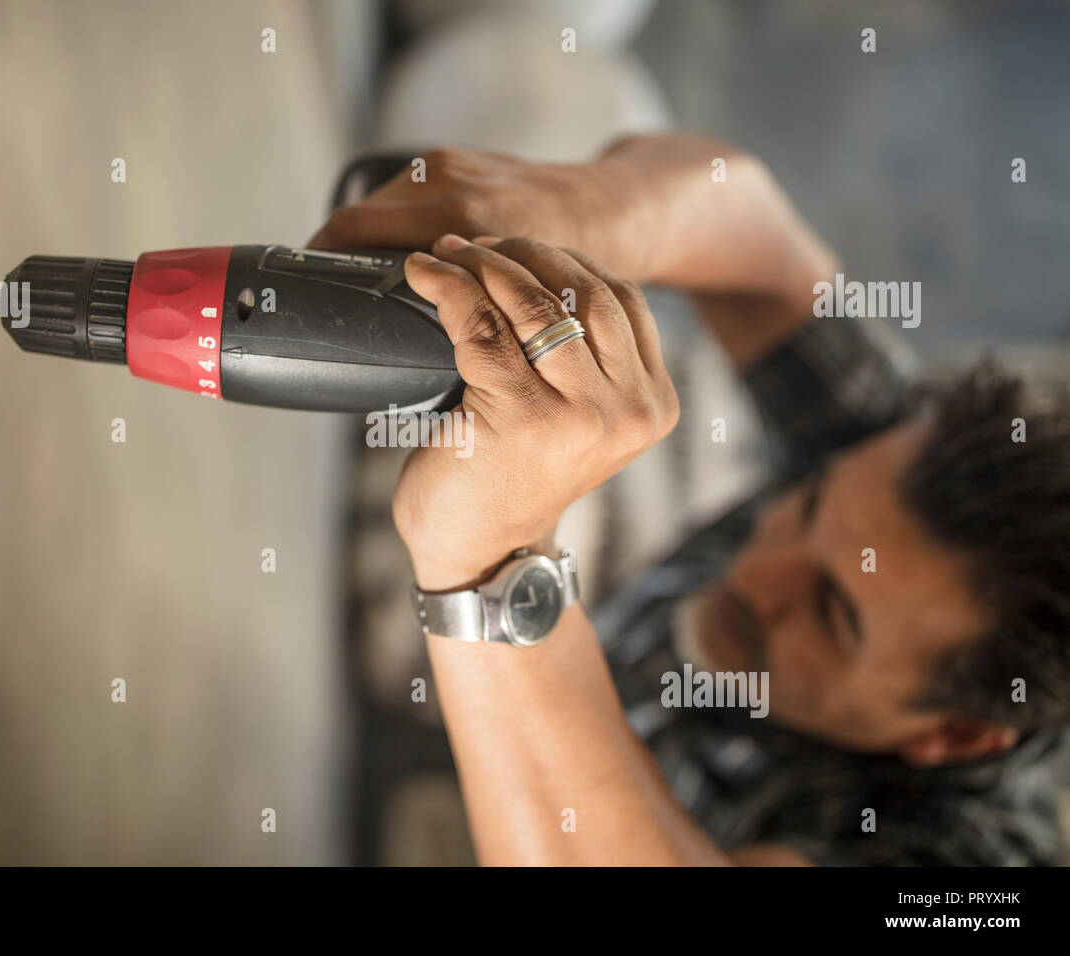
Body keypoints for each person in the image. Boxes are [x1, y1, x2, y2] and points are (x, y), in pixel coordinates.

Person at [309, 133, 1070, 865]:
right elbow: (748, 224)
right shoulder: (890, 453)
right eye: (808, 502)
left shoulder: (969, 862)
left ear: (956, 737)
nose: (758, 574)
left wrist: (492, 564)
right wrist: (571, 217)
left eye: (833, 611)